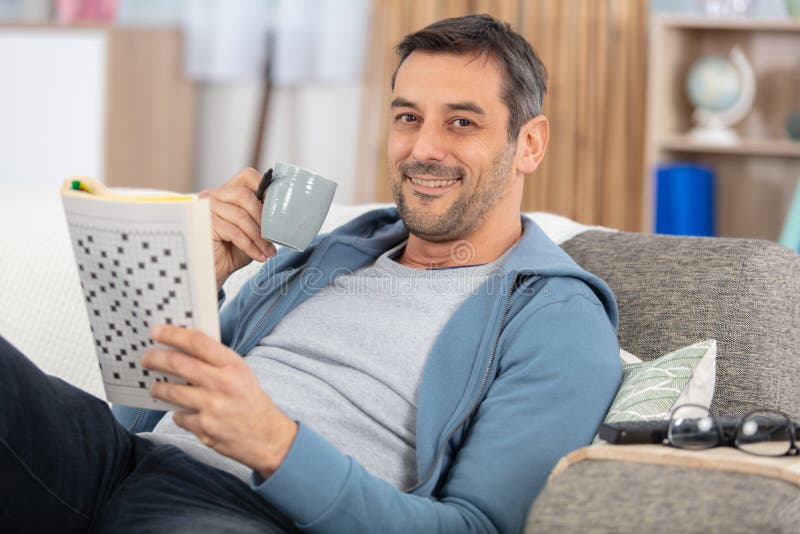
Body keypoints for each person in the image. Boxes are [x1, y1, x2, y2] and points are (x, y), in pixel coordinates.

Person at [0, 14, 620, 533]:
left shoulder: (558, 319)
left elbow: (476, 526)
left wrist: (276, 445)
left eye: (462, 122)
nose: (424, 149)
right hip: (122, 462)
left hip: (245, 513)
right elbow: (140, 414)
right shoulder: (327, 254)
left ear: (529, 144)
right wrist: (193, 281)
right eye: (408, 117)